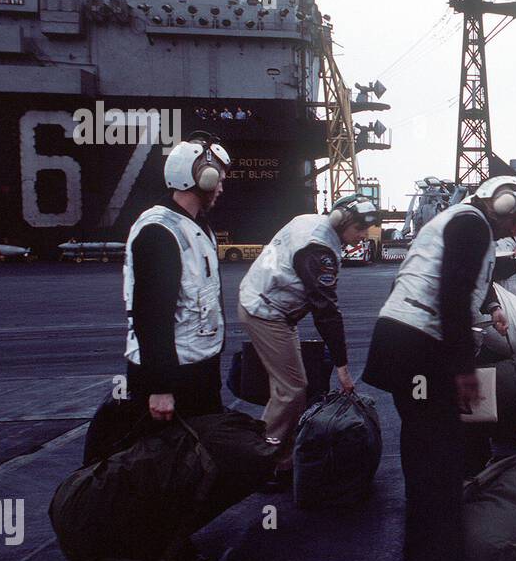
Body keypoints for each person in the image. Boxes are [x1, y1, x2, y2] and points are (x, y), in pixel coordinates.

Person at [362, 175, 516, 561]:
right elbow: (453, 299)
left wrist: (491, 304)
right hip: (420, 345)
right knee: (439, 456)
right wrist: (463, 372)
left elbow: (464, 284)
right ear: (503, 202)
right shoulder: (472, 226)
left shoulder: (458, 221)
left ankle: (422, 554)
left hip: (401, 340)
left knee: (425, 450)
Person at [238, 194, 380, 478]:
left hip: (267, 304)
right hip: (266, 312)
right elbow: (325, 310)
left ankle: (285, 456)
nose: (364, 236)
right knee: (292, 389)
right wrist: (342, 367)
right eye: (359, 229)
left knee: (293, 387)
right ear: (341, 221)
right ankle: (260, 463)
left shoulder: (310, 223)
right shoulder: (319, 250)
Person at [123, 132, 231, 422]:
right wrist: (159, 388)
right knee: (165, 461)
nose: (221, 186)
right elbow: (151, 314)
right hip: (172, 375)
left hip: (198, 366)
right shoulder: (159, 232)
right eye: (218, 178)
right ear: (200, 178)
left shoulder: (198, 227)